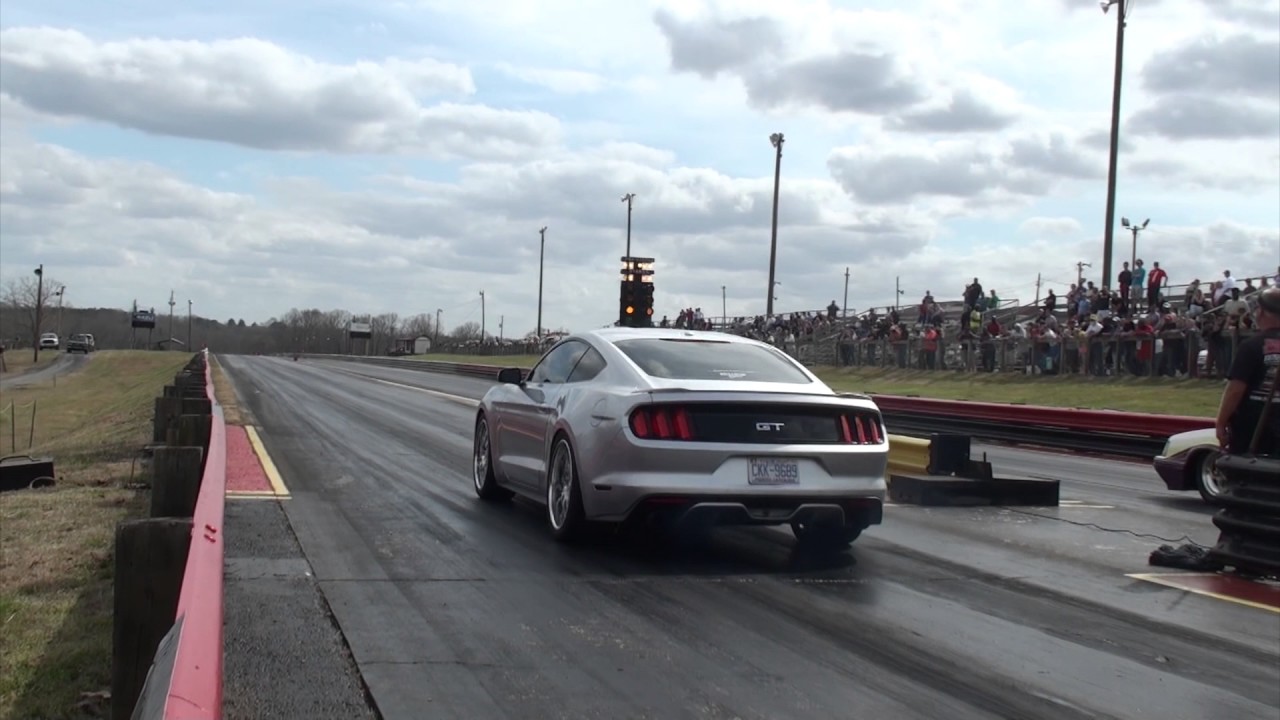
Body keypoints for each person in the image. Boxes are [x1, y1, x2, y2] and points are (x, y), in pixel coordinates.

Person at [1215, 287, 1280, 455]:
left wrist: (1221, 423)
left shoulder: (1251, 346)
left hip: (1254, 427)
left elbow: (1235, 391)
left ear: (1262, 312)